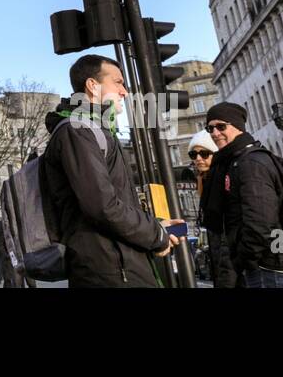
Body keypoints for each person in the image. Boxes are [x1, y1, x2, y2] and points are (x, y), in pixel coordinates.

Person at [41, 54, 179, 287]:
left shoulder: (96, 130)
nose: (124, 91)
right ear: (92, 85)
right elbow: (102, 207)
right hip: (110, 269)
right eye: (118, 82)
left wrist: (154, 225)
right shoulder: (78, 131)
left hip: (119, 263)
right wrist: (155, 235)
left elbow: (114, 202)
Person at [200, 102, 283, 288]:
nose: (215, 133)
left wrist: (245, 258)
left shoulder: (249, 163)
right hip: (273, 266)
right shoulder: (238, 161)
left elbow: (260, 220)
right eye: (210, 128)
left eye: (221, 126)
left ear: (237, 126)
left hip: (273, 268)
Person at [187, 129, 237, 288]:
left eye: (204, 153)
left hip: (230, 258)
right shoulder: (204, 180)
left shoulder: (222, 179)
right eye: (194, 155)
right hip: (220, 258)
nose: (199, 159)